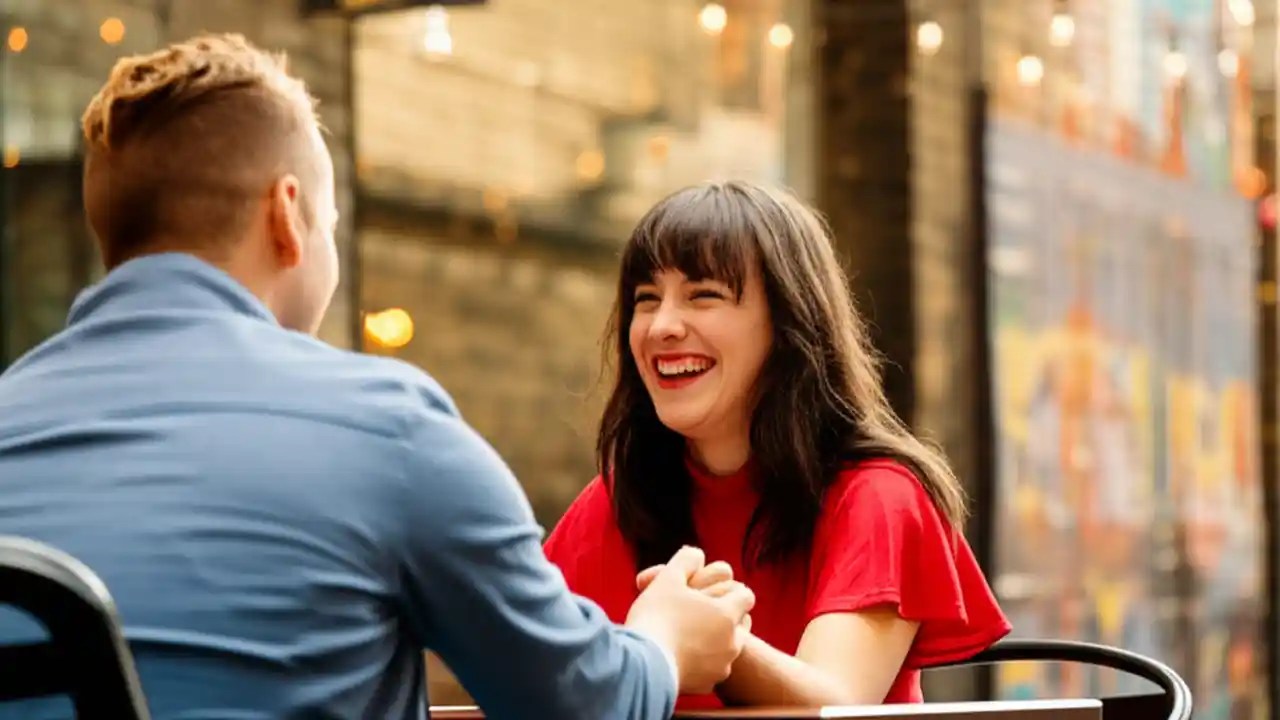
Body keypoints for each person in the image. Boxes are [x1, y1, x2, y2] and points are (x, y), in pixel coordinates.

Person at [0, 34, 755, 720]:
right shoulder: (386, 428)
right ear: (287, 215)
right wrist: (661, 643)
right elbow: (577, 701)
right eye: (332, 222)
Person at [544, 181, 1012, 710]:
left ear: (788, 324)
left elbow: (836, 704)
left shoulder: (879, 495)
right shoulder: (611, 504)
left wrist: (697, 638)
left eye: (704, 296)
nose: (662, 326)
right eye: (645, 300)